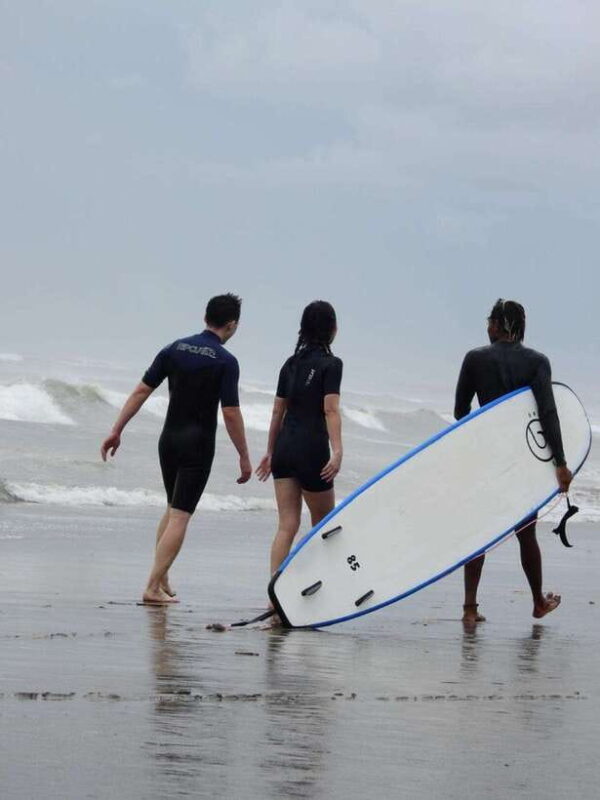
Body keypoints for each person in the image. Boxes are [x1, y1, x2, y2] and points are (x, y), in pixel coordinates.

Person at [101, 293, 252, 604]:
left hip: (168, 441)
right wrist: (243, 454)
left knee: (172, 509)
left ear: (205, 317)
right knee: (181, 515)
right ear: (233, 325)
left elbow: (142, 389)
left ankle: (162, 575)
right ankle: (152, 587)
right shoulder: (225, 361)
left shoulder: (174, 348)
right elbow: (231, 412)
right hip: (197, 445)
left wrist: (116, 430)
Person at [454, 298, 572, 624]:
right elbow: (548, 414)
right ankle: (536, 602)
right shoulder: (537, 362)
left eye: (489, 322)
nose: (487, 328)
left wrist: (468, 453)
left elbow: (460, 413)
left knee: (480, 531)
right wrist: (560, 463)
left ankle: (469, 609)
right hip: (520, 463)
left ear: (496, 325)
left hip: (485, 458)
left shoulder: (474, 359)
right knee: (526, 532)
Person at [256, 300, 343, 581]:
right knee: (323, 526)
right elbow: (330, 409)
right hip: (311, 450)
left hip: (284, 449)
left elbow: (277, 411)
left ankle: (274, 593)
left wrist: (270, 452)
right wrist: (338, 451)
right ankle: (311, 584)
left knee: (287, 526)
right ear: (332, 329)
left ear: (303, 330)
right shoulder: (332, 364)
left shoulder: (290, 364)